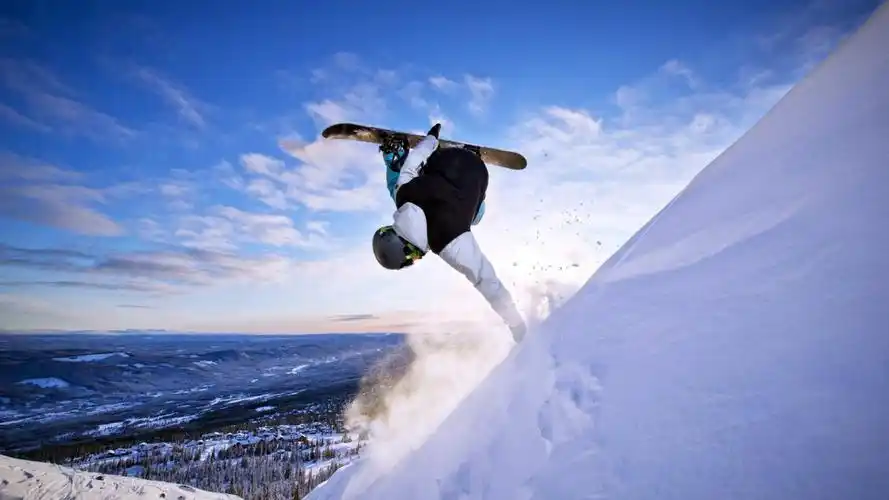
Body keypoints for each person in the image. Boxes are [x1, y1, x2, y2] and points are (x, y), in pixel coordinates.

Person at [372, 123, 527, 343]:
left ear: (407, 249)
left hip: (477, 170)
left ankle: (472, 157)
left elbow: (486, 280)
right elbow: (414, 162)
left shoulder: (447, 242)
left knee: (476, 217)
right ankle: (394, 153)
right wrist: (431, 139)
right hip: (444, 159)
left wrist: (515, 323)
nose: (418, 258)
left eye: (413, 258)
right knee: (399, 183)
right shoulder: (402, 195)